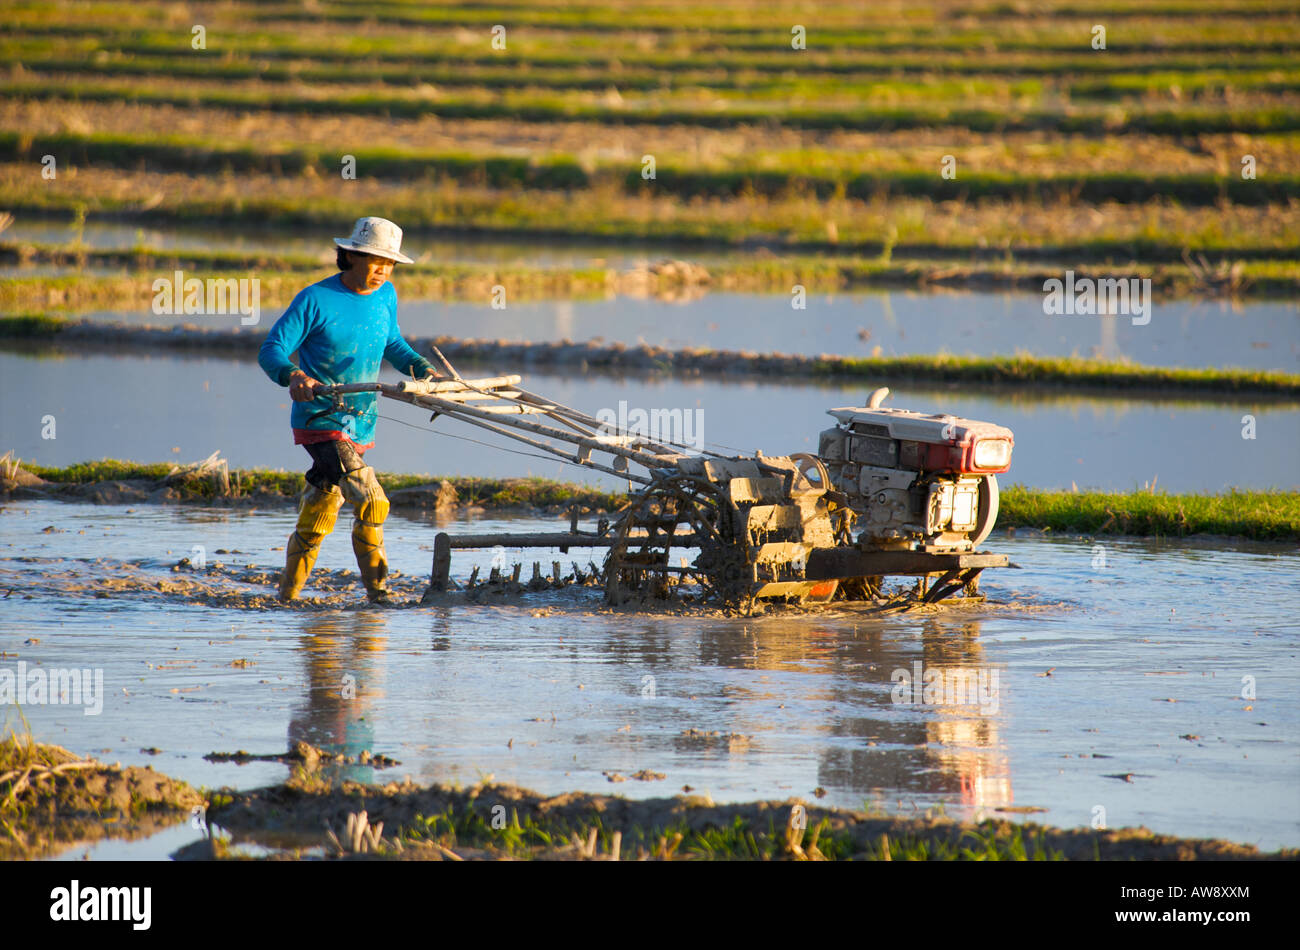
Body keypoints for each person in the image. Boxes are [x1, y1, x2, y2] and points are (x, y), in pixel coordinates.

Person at [258, 216, 437, 604]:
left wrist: (420, 368)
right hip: (321, 419)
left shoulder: (386, 294)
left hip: (362, 422)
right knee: (372, 499)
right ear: (351, 255)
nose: (382, 271)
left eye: (389, 264)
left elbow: (392, 344)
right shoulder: (315, 299)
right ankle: (380, 594)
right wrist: (293, 376)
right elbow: (271, 349)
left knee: (323, 504)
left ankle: (286, 596)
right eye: (375, 261)